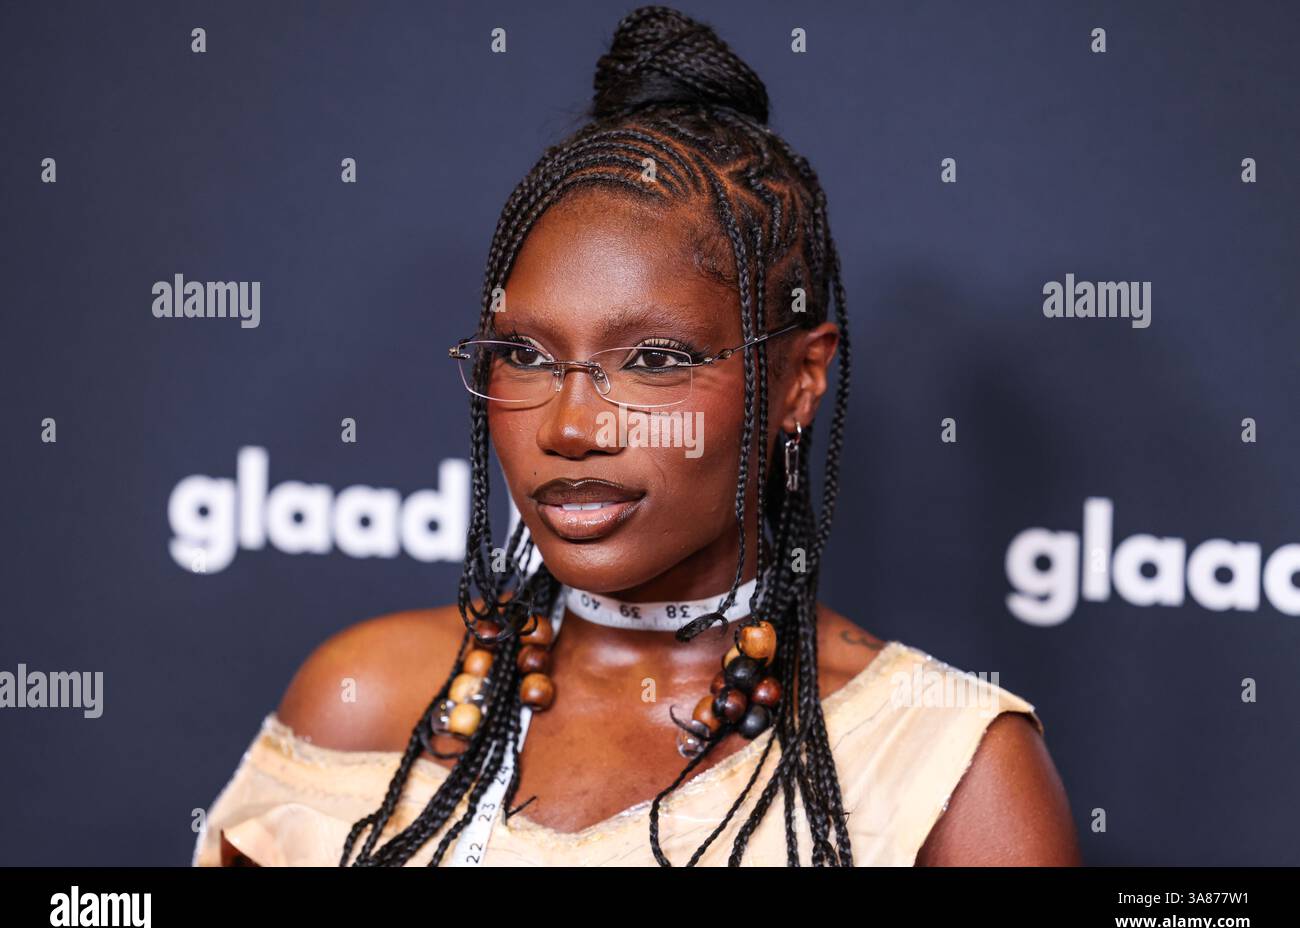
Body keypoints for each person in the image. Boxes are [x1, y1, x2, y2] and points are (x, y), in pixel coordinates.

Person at [193, 5, 1080, 867]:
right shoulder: (363, 705)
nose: (572, 426)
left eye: (655, 359)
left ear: (800, 381)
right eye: (527, 356)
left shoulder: (948, 774)